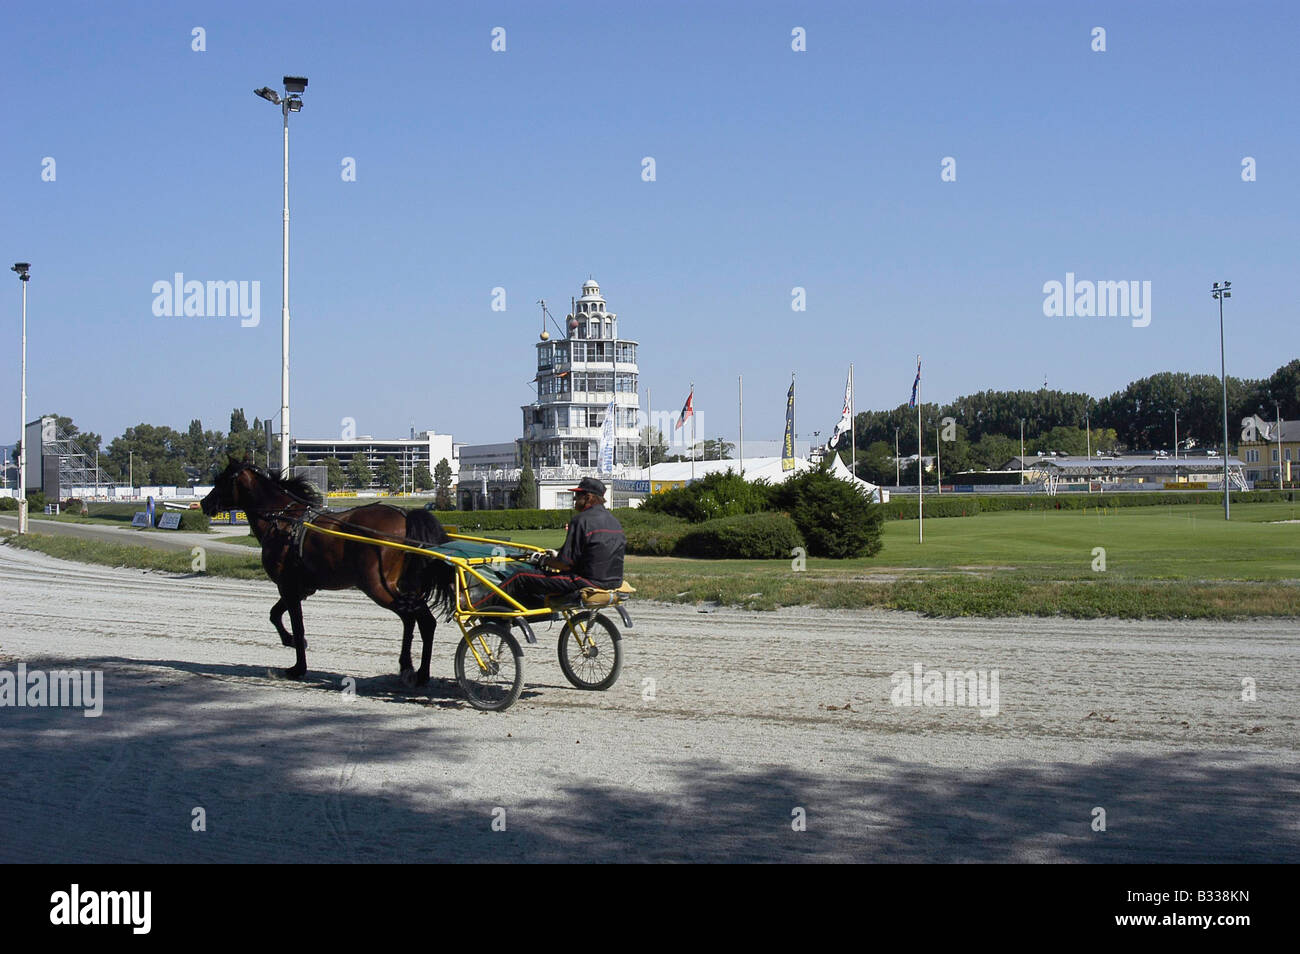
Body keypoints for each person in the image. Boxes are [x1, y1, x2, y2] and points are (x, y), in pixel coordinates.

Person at [483, 477, 625, 610]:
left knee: (519, 577)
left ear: (589, 497)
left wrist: (542, 559)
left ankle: (480, 606)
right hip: (613, 582)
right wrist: (558, 554)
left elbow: (564, 564)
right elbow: (591, 552)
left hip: (587, 582)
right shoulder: (614, 521)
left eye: (577, 497)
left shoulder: (581, 520)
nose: (574, 500)